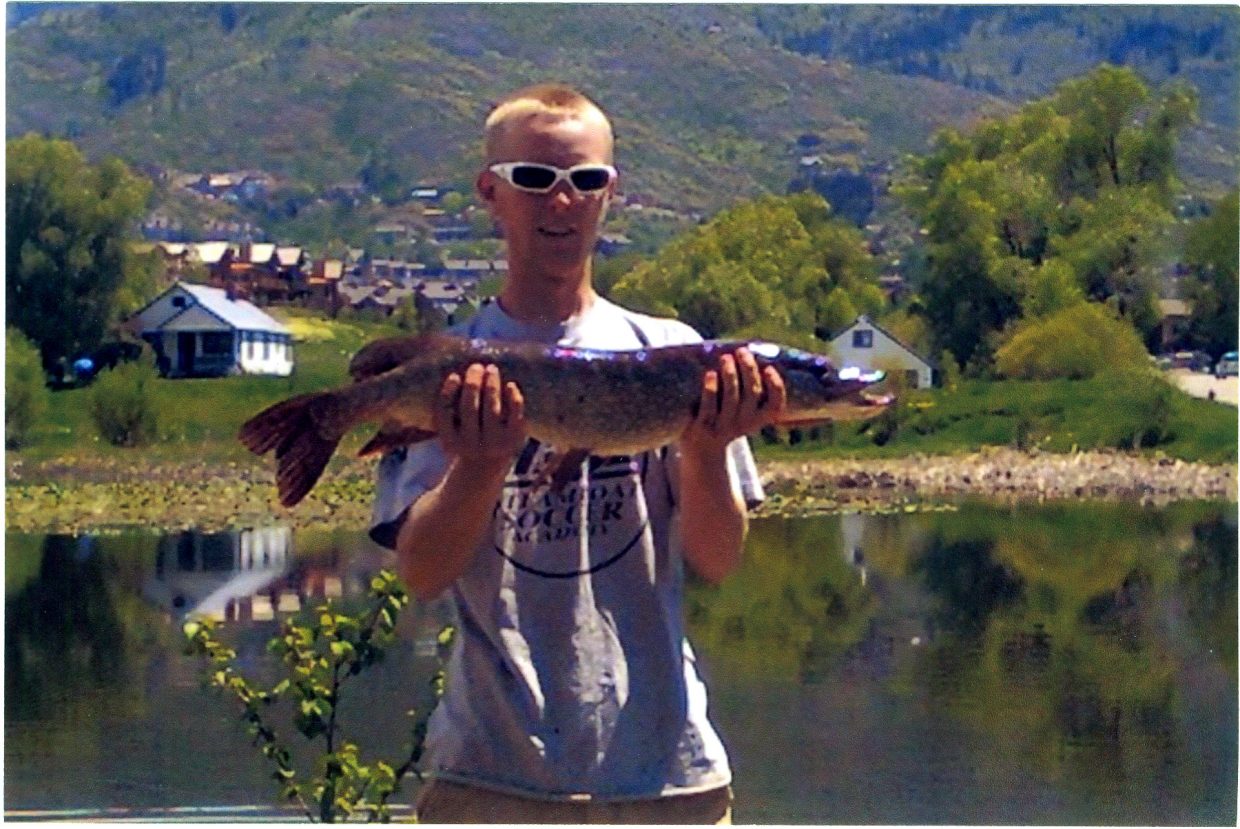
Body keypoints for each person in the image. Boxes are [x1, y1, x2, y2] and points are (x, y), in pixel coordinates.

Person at [370, 83, 787, 824]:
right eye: (535, 178)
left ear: (610, 194)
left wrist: (707, 450)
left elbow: (717, 559)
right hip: (491, 776)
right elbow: (424, 573)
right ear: (491, 193)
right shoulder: (458, 368)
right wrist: (481, 464)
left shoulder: (675, 352)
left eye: (585, 179)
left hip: (669, 777)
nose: (562, 200)